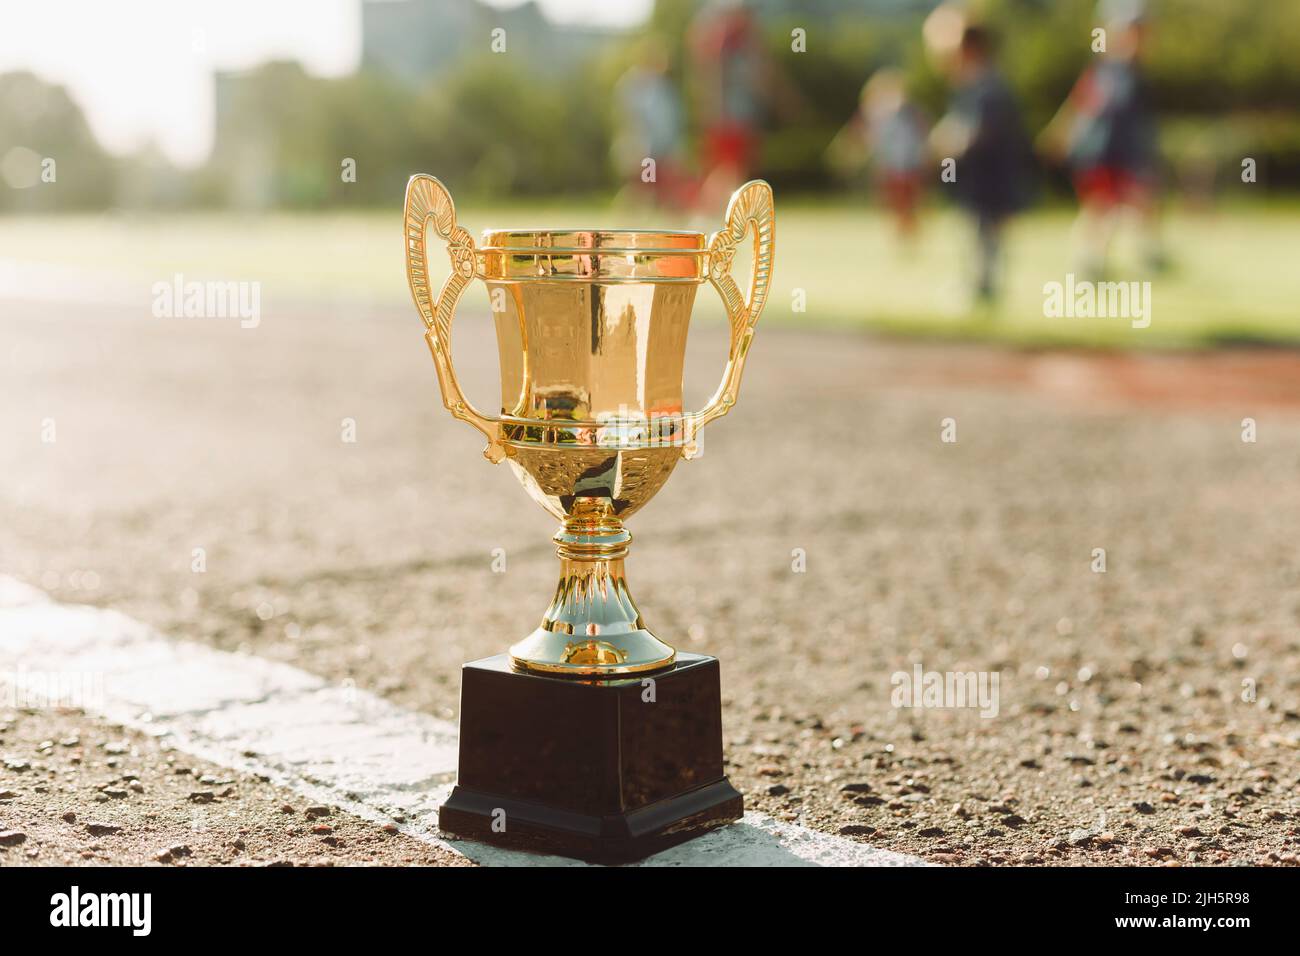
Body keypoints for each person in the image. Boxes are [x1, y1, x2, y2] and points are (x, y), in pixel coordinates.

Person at [1040, 0, 1163, 278]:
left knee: (1136, 203)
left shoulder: (1133, 73)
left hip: (1124, 156)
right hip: (1101, 154)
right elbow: (1080, 105)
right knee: (1102, 210)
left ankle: (1142, 254)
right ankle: (1089, 262)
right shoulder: (1107, 71)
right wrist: (1061, 134)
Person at [926, 9, 1036, 303]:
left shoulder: (988, 86)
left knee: (985, 233)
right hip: (974, 178)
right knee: (974, 233)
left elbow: (979, 131)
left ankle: (982, 288)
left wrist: (947, 142)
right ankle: (978, 284)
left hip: (989, 177)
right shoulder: (968, 86)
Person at [828, 69, 930, 241]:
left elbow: (921, 129)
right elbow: (858, 132)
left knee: (907, 199)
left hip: (908, 162)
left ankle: (908, 228)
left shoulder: (907, 110)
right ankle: (903, 229)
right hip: (890, 163)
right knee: (895, 199)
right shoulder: (874, 111)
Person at [613, 36, 690, 210]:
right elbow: (632, 117)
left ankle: (664, 214)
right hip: (645, 145)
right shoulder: (633, 85)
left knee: (665, 184)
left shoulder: (665, 87)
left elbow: (672, 120)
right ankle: (632, 214)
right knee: (644, 184)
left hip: (665, 146)